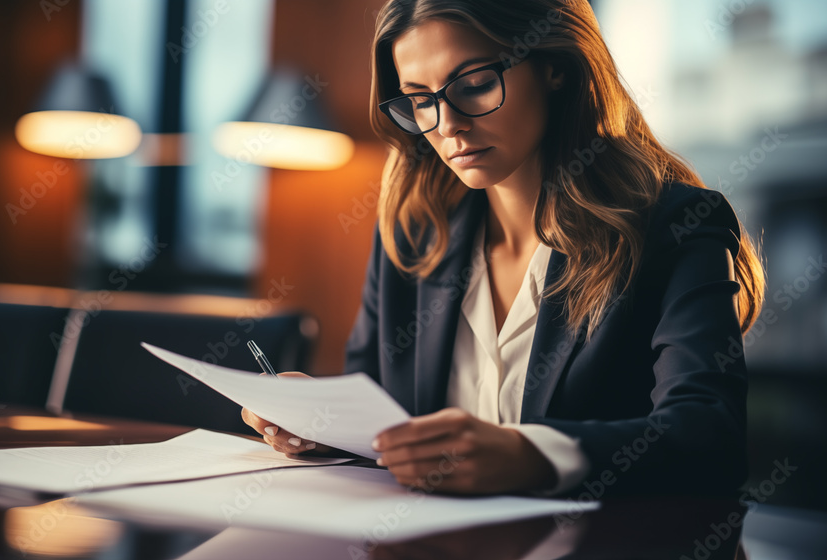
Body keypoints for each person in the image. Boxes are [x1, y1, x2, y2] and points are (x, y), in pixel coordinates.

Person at [242, 0, 765, 497]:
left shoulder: (674, 227)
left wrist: (531, 455)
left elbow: (709, 440)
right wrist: (321, 421)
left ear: (554, 66)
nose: (447, 126)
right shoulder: (412, 230)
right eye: (420, 100)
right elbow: (380, 409)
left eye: (472, 85)